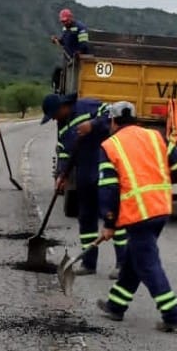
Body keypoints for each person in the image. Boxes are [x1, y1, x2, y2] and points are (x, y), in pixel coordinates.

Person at [96, 100, 177, 332]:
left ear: (113, 121)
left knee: (147, 263)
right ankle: (115, 306)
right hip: (160, 208)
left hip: (138, 212)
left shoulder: (110, 145)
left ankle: (173, 314)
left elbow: (108, 188)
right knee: (133, 258)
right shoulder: (154, 136)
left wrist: (109, 223)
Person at [42, 93, 128, 278]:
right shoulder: (62, 125)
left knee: (113, 217)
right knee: (86, 218)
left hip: (105, 168)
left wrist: (93, 125)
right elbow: (64, 152)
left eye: (54, 115)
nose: (54, 119)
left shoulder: (87, 105)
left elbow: (112, 116)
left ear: (62, 107)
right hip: (84, 174)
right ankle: (89, 263)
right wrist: (61, 174)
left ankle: (123, 264)